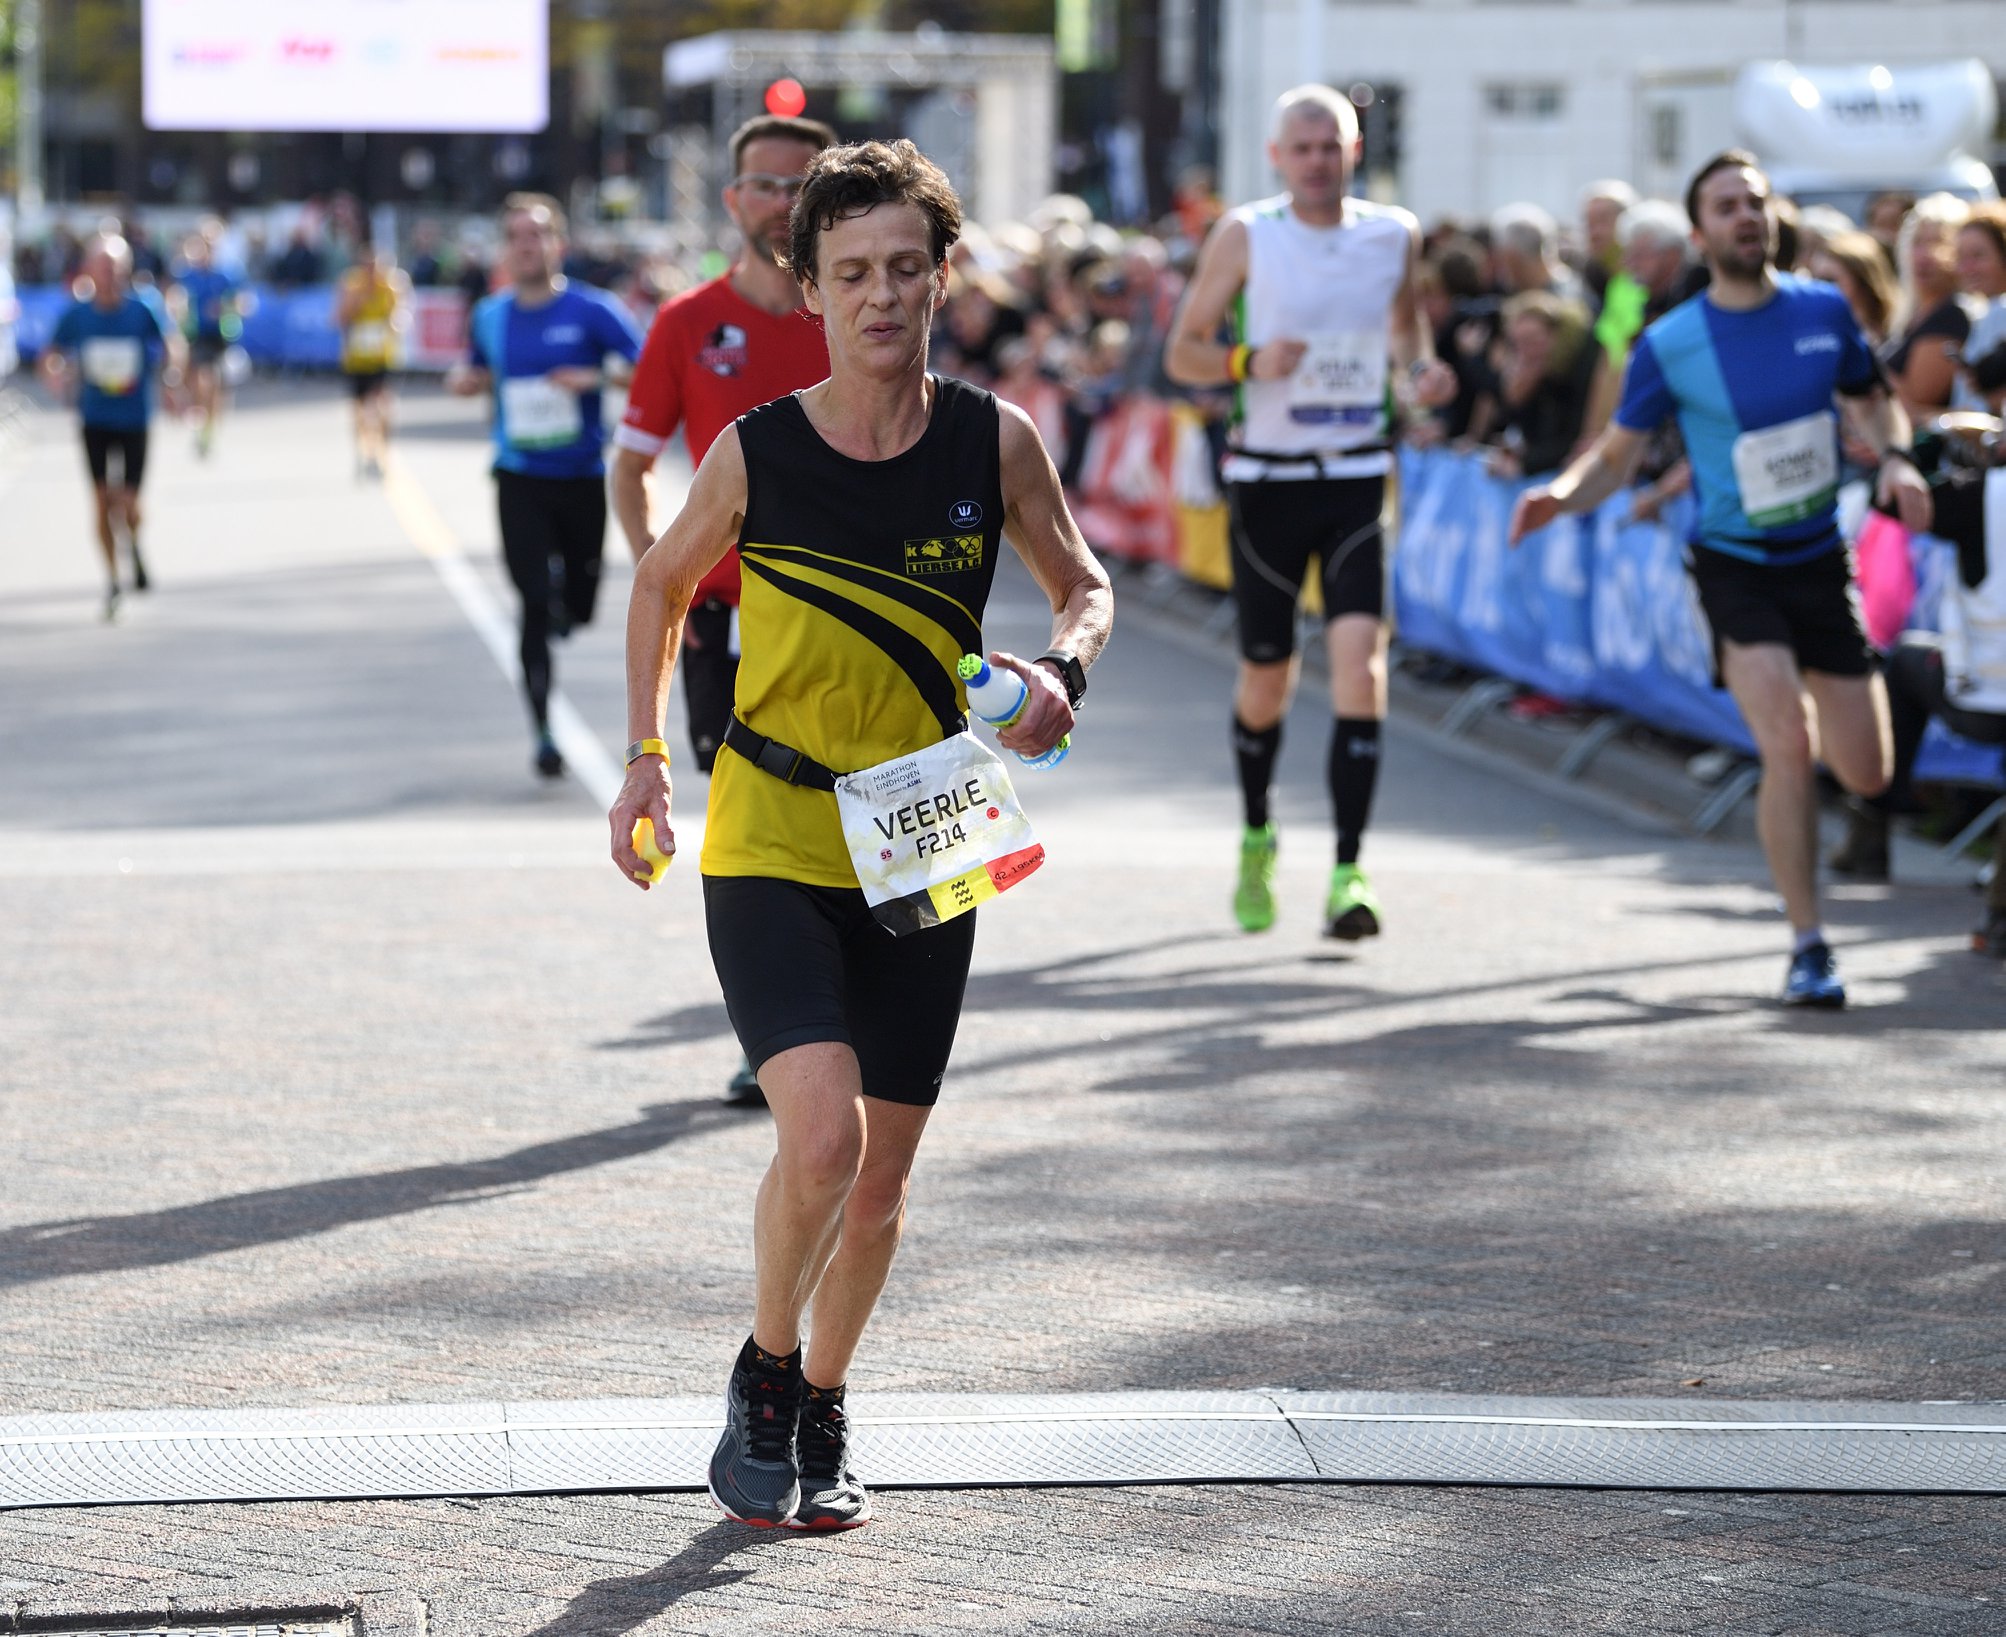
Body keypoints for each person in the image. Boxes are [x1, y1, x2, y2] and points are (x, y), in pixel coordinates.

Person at [607, 139, 1110, 1530]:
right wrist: (646, 760)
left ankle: (825, 1396)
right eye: (850, 274)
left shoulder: (992, 441)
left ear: (942, 278)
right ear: (810, 291)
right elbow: (657, 585)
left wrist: (1061, 671)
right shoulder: (758, 449)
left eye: (903, 268)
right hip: (772, 826)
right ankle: (767, 1366)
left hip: (928, 832)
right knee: (820, 1138)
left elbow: (1083, 582)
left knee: (880, 1182)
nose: (879, 295)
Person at [1510, 150, 1933, 1008]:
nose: (1746, 215)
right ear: (1701, 234)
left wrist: (1895, 455)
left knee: (1868, 772)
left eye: (1755, 201)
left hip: (1820, 561)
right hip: (1735, 567)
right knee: (1786, 743)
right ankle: (1808, 944)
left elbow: (1873, 397)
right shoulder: (1671, 343)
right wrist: (1559, 495)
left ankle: (1835, 742)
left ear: (1772, 218)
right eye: (1727, 206)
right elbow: (1616, 458)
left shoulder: (1822, 309)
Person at [1164, 83, 1456, 939]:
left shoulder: (1392, 233)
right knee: (1268, 677)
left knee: (1363, 666)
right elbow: (1184, 351)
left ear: (1355, 151)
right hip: (1268, 479)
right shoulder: (1246, 233)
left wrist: (1421, 376)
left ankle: (1348, 872)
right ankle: (1258, 833)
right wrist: (1248, 361)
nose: (1319, 162)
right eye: (1304, 148)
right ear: (1277, 157)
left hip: (1357, 474)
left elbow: (1405, 332)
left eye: (1333, 146)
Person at [612, 113, 836, 1108]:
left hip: (843, 618)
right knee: (750, 816)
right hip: (724, 617)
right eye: (764, 185)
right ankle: (775, 1029)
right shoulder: (686, 323)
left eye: (800, 185)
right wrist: (663, 579)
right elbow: (631, 465)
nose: (781, 203)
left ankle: (837, 1008)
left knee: (841, 802)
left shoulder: (851, 312)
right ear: (733, 197)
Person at [447, 194, 644, 780]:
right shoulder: (491, 315)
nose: (525, 246)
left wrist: (593, 376)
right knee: (532, 601)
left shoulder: (594, 310)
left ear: (557, 243)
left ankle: (567, 608)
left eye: (535, 235)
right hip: (519, 477)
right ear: (505, 249)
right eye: (515, 237)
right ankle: (542, 731)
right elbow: (472, 367)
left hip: (581, 477)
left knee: (578, 608)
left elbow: (645, 369)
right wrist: (466, 380)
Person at [40, 233, 184, 621]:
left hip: (135, 418)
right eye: (104, 266)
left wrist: (171, 380)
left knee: (129, 504)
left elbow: (171, 344)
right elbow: (51, 353)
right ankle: (113, 579)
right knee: (102, 501)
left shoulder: (143, 308)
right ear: (89, 269)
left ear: (127, 269)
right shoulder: (78, 314)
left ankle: (133, 542)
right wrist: (54, 373)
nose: (110, 273)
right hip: (95, 419)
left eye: (117, 267)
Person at [1883, 194, 1972, 424]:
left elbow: (1915, 402)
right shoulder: (1915, 312)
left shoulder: (1951, 316)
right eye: (1917, 242)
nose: (1924, 256)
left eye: (1938, 242)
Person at [335, 243, 409, 480]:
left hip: (381, 355)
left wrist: (394, 324)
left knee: (382, 403)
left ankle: (382, 452)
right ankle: (362, 452)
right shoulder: (352, 284)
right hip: (357, 358)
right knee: (359, 408)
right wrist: (359, 299)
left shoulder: (392, 285)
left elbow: (400, 315)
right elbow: (340, 318)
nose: (373, 273)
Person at [173, 231, 242, 459]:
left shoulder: (226, 275)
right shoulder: (187, 275)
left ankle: (208, 429)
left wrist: (225, 308)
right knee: (198, 383)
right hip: (196, 336)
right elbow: (175, 299)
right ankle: (200, 422)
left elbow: (242, 302)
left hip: (219, 337)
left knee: (212, 385)